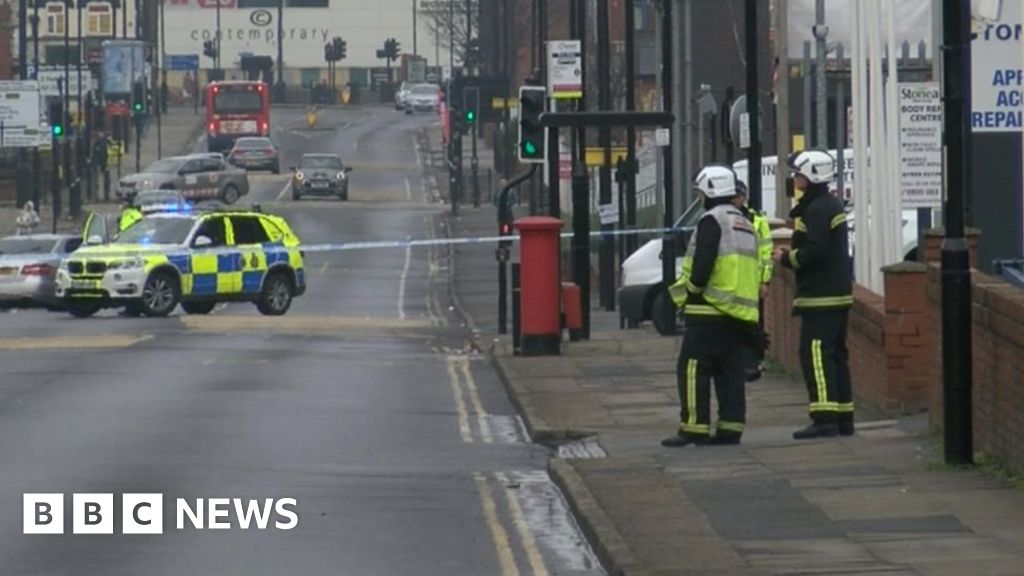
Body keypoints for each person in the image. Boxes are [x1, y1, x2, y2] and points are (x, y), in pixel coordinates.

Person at [661, 165, 762, 447]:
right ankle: (731, 428)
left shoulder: (712, 220)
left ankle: (694, 428)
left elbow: (703, 263)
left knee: (694, 367)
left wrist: (691, 292)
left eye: (701, 192)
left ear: (711, 190)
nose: (700, 197)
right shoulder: (745, 223)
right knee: (729, 372)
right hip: (738, 314)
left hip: (709, 309)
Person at [772, 149, 854, 439]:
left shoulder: (817, 209)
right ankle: (843, 417)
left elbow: (817, 251)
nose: (795, 178)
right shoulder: (829, 205)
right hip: (836, 293)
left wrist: (787, 257)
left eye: (798, 173)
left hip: (821, 295)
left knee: (816, 355)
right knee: (835, 356)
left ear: (810, 175)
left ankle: (824, 419)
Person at [734, 181, 774, 381]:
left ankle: (752, 363)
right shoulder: (721, 219)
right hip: (731, 282)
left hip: (752, 282)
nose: (737, 200)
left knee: (753, 325)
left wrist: (764, 281)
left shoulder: (757, 220)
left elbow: (766, 253)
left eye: (739, 196)